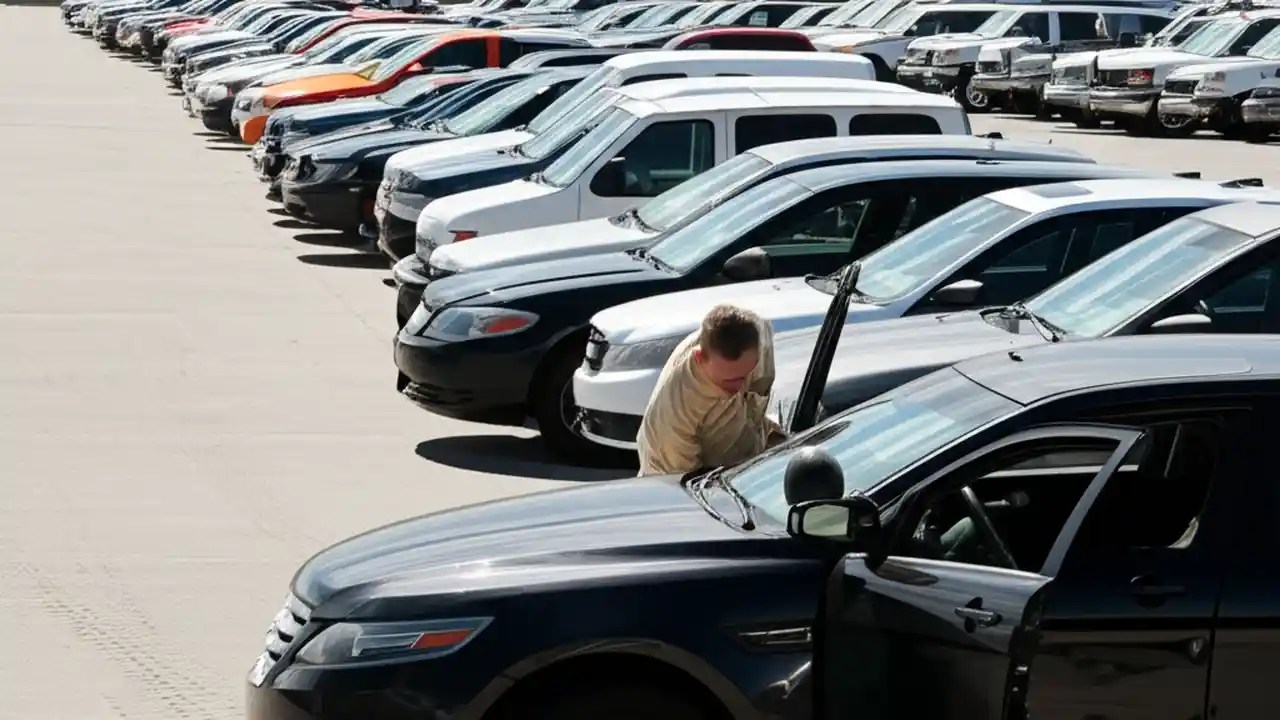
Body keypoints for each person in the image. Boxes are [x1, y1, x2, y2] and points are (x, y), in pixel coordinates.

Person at [637, 304, 786, 476]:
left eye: (746, 375)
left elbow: (754, 409)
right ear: (699, 358)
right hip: (673, 482)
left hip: (744, 466)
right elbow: (683, 484)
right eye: (730, 381)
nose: (740, 387)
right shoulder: (676, 411)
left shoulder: (761, 340)